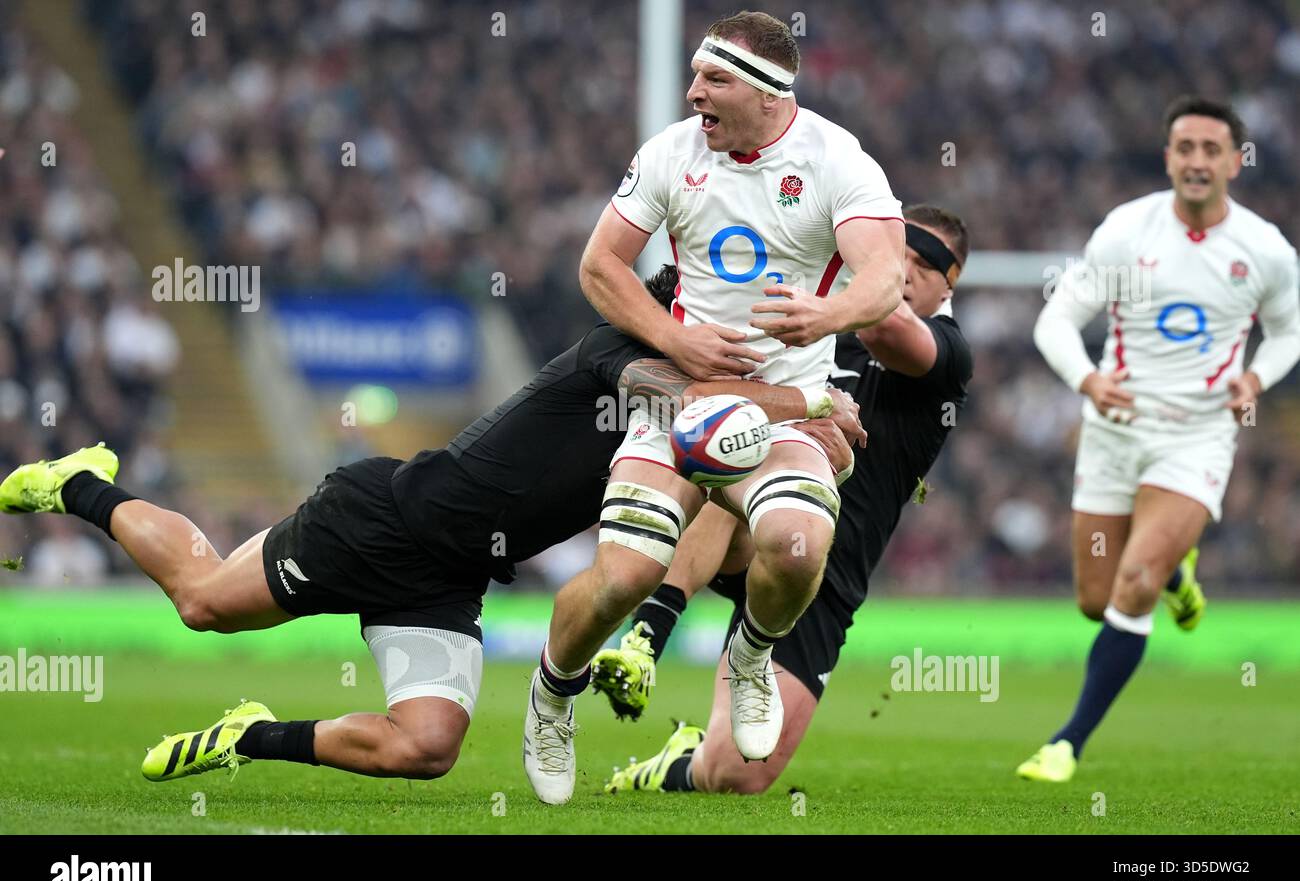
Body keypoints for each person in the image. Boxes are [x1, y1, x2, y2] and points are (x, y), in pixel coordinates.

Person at [0, 271, 860, 786]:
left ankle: (247, 734)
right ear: (679, 309)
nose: (729, 337)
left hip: (447, 577)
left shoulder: (687, 436)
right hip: (383, 520)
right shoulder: (615, 352)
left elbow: (718, 513)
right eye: (714, 315)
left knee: (428, 747)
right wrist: (811, 401)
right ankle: (79, 483)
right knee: (200, 601)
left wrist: (797, 469)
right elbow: (692, 400)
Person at [523, 9, 905, 804]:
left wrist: (823, 317)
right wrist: (676, 339)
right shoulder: (671, 152)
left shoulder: (839, 161)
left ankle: (752, 654)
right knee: (622, 579)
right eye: (696, 76)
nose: (693, 92)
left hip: (788, 413)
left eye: (713, 80)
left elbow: (883, 278)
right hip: (682, 405)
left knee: (797, 547)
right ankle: (552, 694)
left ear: (769, 94)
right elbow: (601, 268)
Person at [592, 205, 974, 794]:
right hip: (755, 527)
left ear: (950, 285)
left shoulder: (943, 350)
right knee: (726, 444)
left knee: (734, 777)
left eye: (923, 264)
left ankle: (673, 762)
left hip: (828, 571)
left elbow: (881, 327)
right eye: (898, 251)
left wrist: (861, 283)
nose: (903, 268)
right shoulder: (815, 330)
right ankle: (648, 636)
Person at [1018, 96, 1300, 783]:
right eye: (1185, 148)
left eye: (1211, 149)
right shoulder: (1126, 231)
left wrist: (1255, 378)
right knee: (1096, 597)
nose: (1197, 161)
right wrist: (1088, 381)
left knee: (1132, 584)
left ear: (1236, 161)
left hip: (1197, 435)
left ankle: (1067, 743)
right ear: (1168, 156)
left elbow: (1290, 330)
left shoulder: (1263, 249)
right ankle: (1179, 570)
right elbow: (1056, 321)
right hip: (1114, 430)